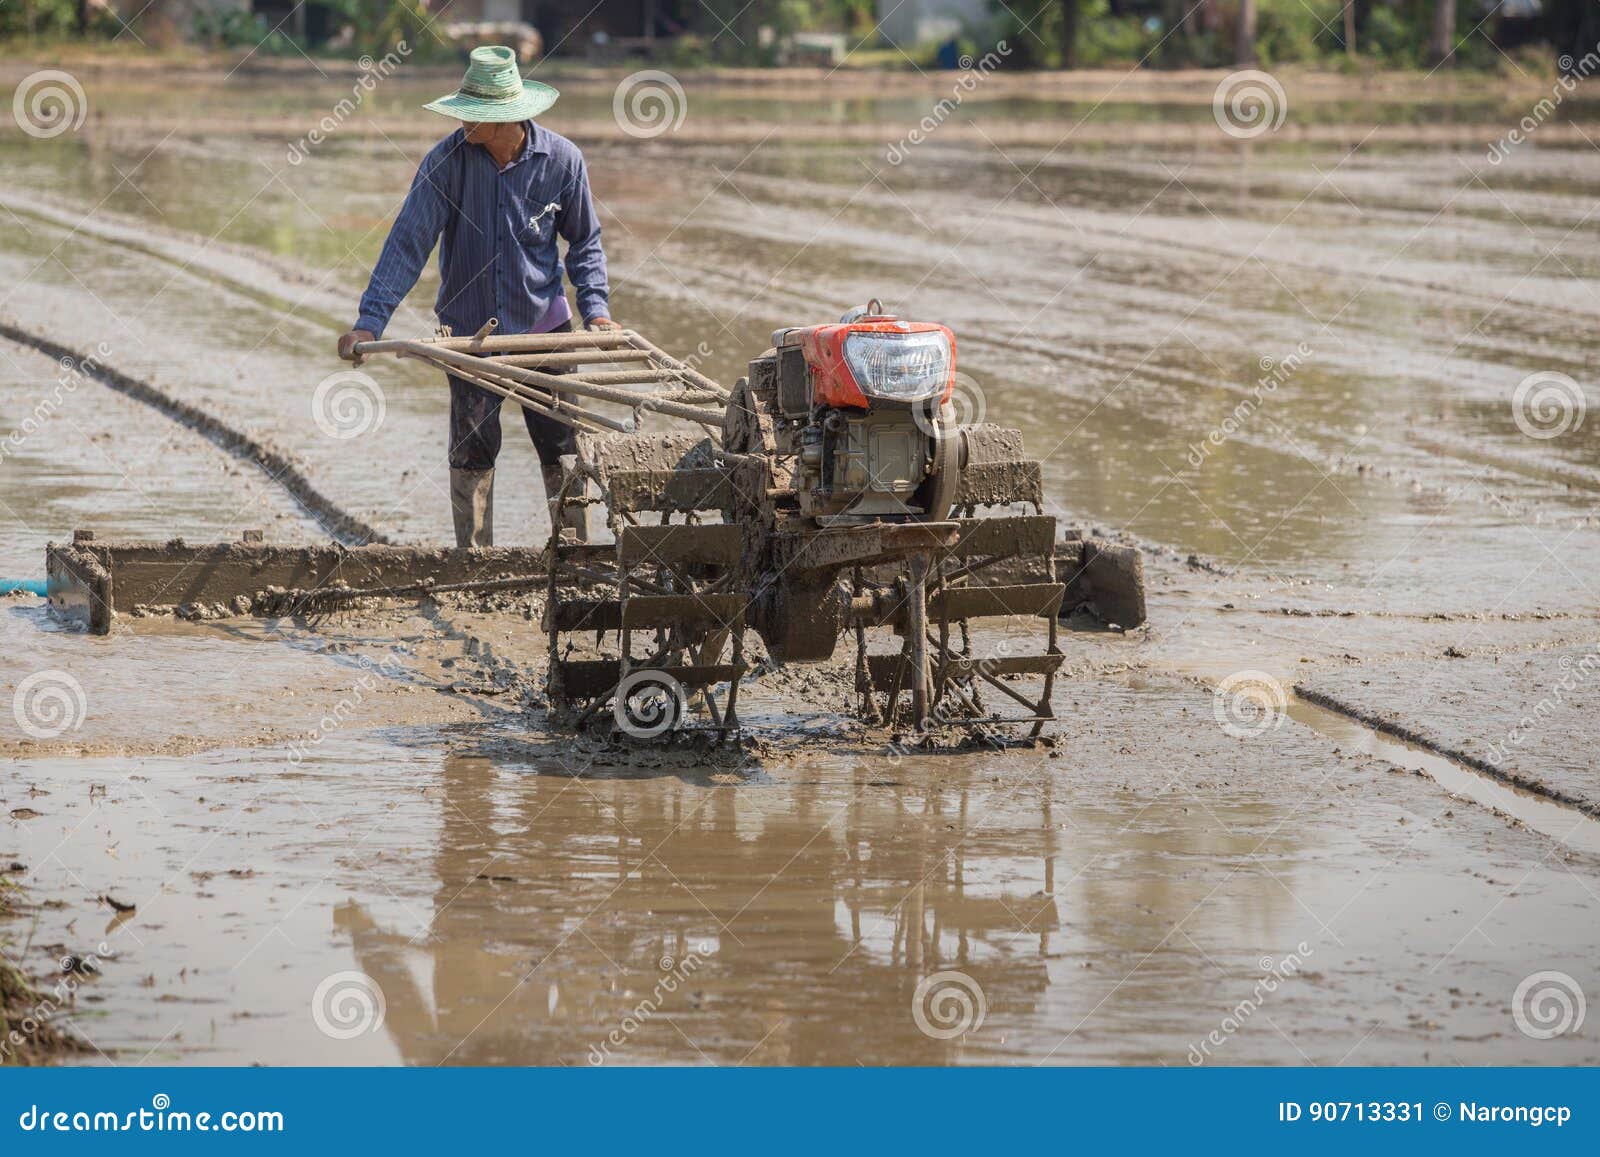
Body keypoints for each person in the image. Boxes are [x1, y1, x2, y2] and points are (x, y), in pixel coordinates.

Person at [337, 45, 611, 546]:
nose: (464, 124)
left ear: (510, 119)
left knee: (564, 448)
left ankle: (574, 556)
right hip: (471, 336)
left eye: (476, 116)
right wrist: (369, 323)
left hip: (545, 332)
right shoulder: (446, 164)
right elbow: (408, 243)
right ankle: (476, 560)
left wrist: (596, 310)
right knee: (472, 449)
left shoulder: (562, 162)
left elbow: (585, 242)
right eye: (463, 113)